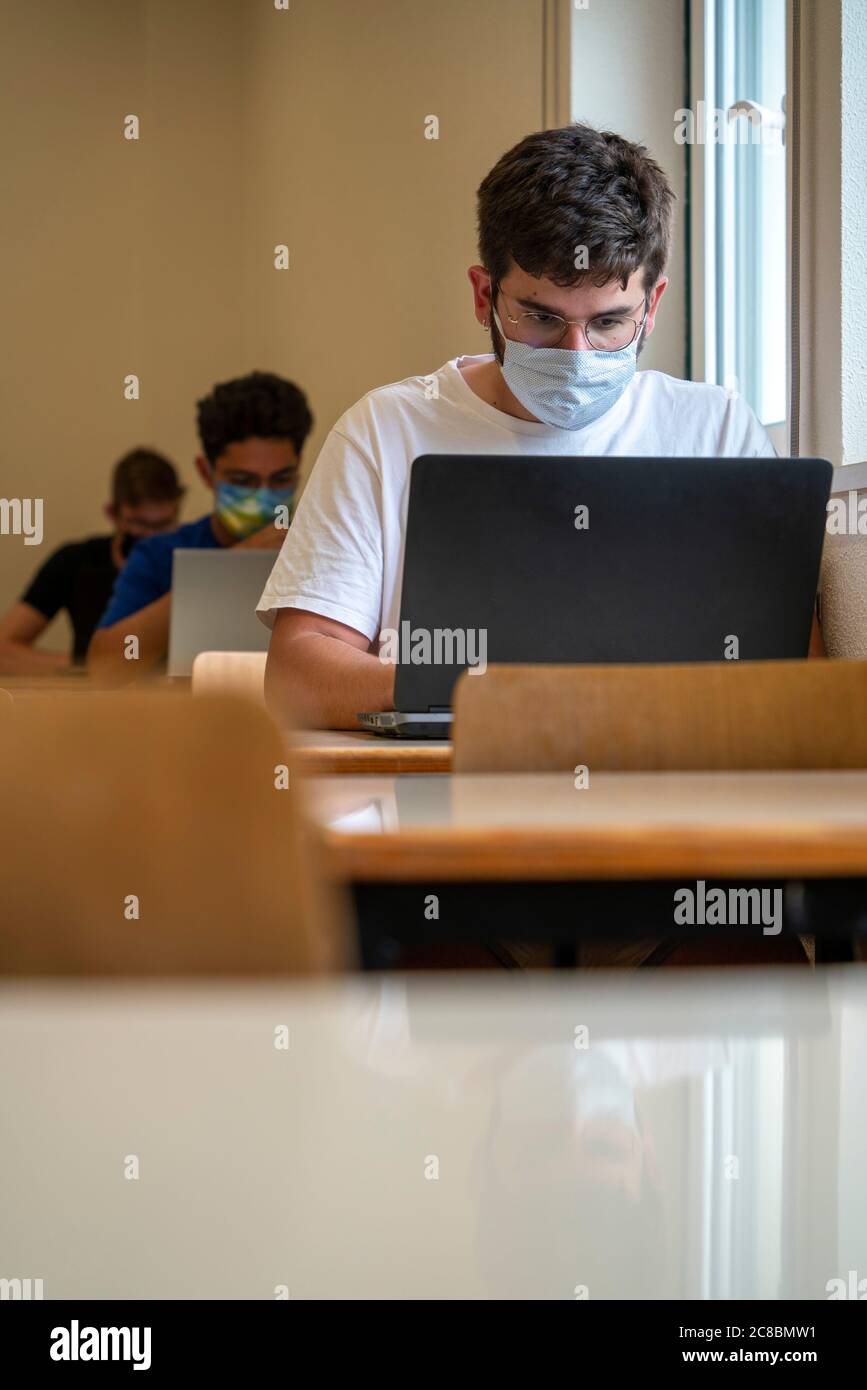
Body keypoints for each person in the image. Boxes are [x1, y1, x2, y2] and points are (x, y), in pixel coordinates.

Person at [259, 122, 821, 731]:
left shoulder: (716, 432)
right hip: (452, 795)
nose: (577, 356)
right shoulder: (385, 431)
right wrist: (496, 695)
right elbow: (296, 676)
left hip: (668, 791)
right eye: (541, 319)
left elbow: (798, 675)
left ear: (652, 305)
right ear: (484, 296)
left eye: (609, 324)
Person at [87, 370, 313, 682]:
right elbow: (104, 666)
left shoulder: (324, 550)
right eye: (243, 481)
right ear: (206, 473)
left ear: (299, 466)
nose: (263, 496)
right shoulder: (160, 555)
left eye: (281, 479)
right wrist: (231, 566)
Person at [0, 448, 183, 675]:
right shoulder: (75, 561)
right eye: (140, 524)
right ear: (112, 514)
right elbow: (4, 652)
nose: (152, 538)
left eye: (163, 524)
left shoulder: (192, 564)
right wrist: (92, 668)